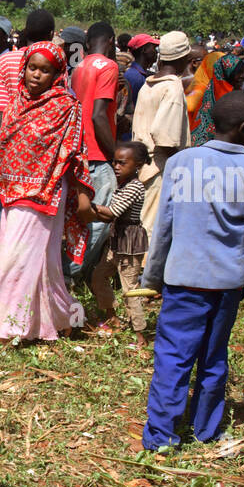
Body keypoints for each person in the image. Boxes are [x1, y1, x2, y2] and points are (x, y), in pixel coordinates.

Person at [142, 92, 244, 449]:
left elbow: (164, 227)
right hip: (229, 280)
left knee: (173, 356)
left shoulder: (182, 163)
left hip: (184, 278)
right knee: (214, 355)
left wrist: (152, 276)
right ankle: (207, 429)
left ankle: (161, 437)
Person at [0, 42, 92, 348]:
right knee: (40, 263)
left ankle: (3, 329)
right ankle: (64, 318)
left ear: (57, 74)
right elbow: (0, 151)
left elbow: (74, 153)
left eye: (45, 70)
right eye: (32, 68)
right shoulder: (15, 103)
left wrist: (81, 195)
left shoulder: (66, 107)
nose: (36, 75)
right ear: (24, 67)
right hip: (11, 194)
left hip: (46, 193)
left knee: (16, 260)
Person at [69, 22, 120, 291]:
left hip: (78, 151)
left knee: (78, 218)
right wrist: (115, 155)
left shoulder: (78, 67)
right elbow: (98, 114)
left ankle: (71, 272)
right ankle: (72, 277)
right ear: (111, 41)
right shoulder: (109, 67)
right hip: (98, 155)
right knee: (98, 221)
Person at [132, 31, 194, 233]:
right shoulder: (173, 87)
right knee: (150, 230)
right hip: (159, 168)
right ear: (184, 57)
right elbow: (166, 138)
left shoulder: (148, 84)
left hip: (141, 163)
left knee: (139, 224)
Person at [91, 141, 153, 342]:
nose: (116, 167)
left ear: (138, 165)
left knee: (130, 289)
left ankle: (140, 334)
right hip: (118, 238)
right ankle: (112, 317)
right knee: (99, 276)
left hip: (129, 241)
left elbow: (112, 213)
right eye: (115, 162)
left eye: (122, 163)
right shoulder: (123, 184)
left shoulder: (134, 187)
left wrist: (87, 206)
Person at [190, 54, 244, 144]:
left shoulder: (237, 93)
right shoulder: (219, 94)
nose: (243, 76)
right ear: (226, 72)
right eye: (239, 72)